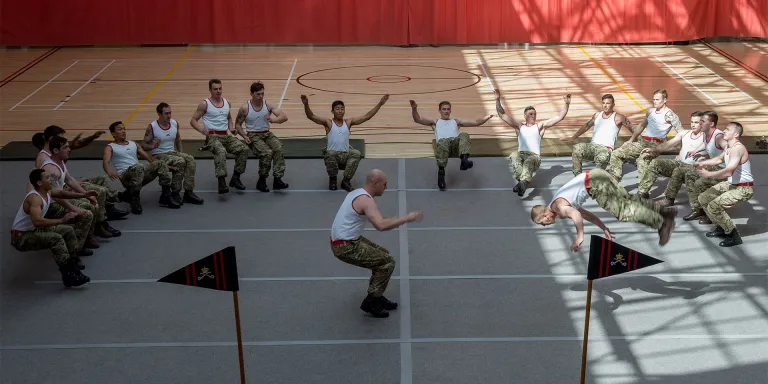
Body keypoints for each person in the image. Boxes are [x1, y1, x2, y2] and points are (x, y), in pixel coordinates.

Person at [330, 169, 423, 318]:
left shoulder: (356, 193)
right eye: (384, 184)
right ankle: (371, 301)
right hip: (345, 246)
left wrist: (395, 220)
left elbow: (379, 218)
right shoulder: (366, 200)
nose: (386, 187)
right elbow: (380, 225)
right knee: (388, 263)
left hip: (346, 240)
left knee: (383, 255)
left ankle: (377, 294)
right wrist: (407, 218)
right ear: (375, 183)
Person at [530, 169, 676, 251]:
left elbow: (575, 214)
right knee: (627, 199)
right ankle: (664, 212)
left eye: (542, 223)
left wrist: (580, 236)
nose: (545, 224)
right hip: (597, 174)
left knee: (622, 212)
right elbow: (585, 215)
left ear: (544, 215)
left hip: (594, 183)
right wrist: (603, 227)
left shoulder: (559, 208)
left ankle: (662, 223)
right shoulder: (558, 203)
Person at [11, 169, 91, 287]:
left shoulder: (46, 191)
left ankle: (72, 263)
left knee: (68, 230)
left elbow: (62, 194)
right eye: (47, 178)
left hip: (33, 230)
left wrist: (84, 194)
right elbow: (37, 221)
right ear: (39, 183)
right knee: (56, 239)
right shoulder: (35, 198)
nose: (51, 180)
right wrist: (61, 220)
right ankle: (68, 275)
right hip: (21, 236)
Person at [34, 126, 128, 221]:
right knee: (100, 191)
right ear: (51, 139)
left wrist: (92, 137)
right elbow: (50, 189)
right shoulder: (43, 159)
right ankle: (103, 216)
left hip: (64, 187)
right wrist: (79, 193)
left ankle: (108, 208)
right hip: (60, 194)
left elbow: (67, 178)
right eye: (60, 138)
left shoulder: (55, 154)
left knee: (101, 179)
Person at [301, 94, 389, 191]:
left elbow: (367, 116)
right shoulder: (328, 123)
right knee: (330, 153)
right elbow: (311, 116)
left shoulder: (348, 122)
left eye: (342, 109)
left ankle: (345, 181)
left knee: (356, 153)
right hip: (333, 158)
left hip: (345, 156)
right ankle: (333, 180)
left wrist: (380, 103)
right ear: (332, 111)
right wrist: (306, 104)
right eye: (337, 109)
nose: (340, 111)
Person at [40, 136, 114, 249]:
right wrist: (73, 208)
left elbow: (69, 180)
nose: (69, 149)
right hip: (52, 205)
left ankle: (88, 235)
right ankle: (78, 245)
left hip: (61, 197)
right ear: (55, 151)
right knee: (88, 209)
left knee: (92, 202)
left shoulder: (59, 162)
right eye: (65, 147)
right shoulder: (51, 169)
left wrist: (87, 195)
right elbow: (56, 196)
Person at [495, 90, 571, 196]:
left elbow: (559, 117)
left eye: (535, 114)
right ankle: (523, 183)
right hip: (521, 154)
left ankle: (523, 183)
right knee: (514, 155)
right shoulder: (519, 126)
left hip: (534, 157)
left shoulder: (539, 127)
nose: (533, 116)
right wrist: (497, 99)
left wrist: (567, 104)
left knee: (528, 162)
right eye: (530, 114)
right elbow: (502, 115)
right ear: (525, 116)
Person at [409, 100, 493, 190]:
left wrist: (487, 117)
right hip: (443, 148)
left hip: (455, 147)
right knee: (442, 141)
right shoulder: (435, 121)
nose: (446, 111)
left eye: (448, 109)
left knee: (464, 134)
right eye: (444, 109)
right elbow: (417, 119)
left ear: (450, 111)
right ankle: (441, 173)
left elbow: (476, 123)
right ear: (440, 111)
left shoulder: (456, 121)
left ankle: (464, 160)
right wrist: (414, 108)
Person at [694, 122, 753, 247]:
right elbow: (719, 159)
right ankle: (721, 227)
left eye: (727, 129)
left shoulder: (738, 148)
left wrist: (709, 174)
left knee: (714, 206)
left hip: (744, 188)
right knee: (703, 198)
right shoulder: (728, 147)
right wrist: (703, 163)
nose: (724, 131)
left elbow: (729, 170)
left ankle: (733, 235)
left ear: (736, 134)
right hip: (733, 184)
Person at [606, 89, 683, 182]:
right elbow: (641, 126)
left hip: (656, 144)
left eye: (657, 99)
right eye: (654, 99)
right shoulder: (650, 112)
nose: (654, 101)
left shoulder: (670, 115)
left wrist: (680, 153)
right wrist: (631, 140)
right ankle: (615, 180)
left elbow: (682, 134)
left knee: (642, 161)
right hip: (643, 142)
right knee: (616, 153)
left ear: (665, 100)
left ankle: (644, 189)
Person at [103, 121, 179, 214]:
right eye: (120, 129)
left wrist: (166, 166)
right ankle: (134, 200)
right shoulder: (110, 147)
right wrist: (109, 172)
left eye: (124, 129)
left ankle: (165, 196)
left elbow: (149, 158)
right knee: (138, 167)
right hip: (126, 177)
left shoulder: (133, 144)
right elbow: (106, 161)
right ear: (113, 134)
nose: (123, 131)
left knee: (159, 163)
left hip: (140, 173)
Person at [189, 79, 249, 194]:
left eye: (220, 88)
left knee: (244, 149)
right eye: (215, 89)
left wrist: (231, 128)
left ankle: (235, 178)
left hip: (225, 136)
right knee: (221, 151)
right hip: (212, 137)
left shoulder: (227, 102)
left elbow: (229, 118)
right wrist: (202, 130)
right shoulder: (204, 104)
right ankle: (221, 182)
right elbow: (193, 121)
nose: (218, 91)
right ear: (210, 90)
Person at [636, 111, 706, 203]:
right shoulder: (684, 134)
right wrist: (654, 149)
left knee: (678, 171)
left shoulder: (707, 137)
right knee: (655, 163)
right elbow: (668, 144)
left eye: (696, 122)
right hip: (681, 163)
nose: (693, 125)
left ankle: (669, 198)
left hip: (695, 169)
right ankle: (642, 192)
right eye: (692, 122)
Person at [142, 102, 204, 205]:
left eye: (170, 113)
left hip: (172, 153)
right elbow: (143, 145)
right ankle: (175, 192)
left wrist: (180, 152)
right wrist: (152, 146)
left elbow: (178, 139)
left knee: (190, 159)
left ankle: (188, 192)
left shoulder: (174, 123)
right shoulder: (152, 127)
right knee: (180, 161)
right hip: (159, 154)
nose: (169, 116)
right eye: (166, 113)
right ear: (159, 114)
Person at [234, 82, 290, 192]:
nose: (261, 97)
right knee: (267, 153)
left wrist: (274, 120)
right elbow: (237, 125)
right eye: (258, 94)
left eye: (262, 94)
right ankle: (261, 181)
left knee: (278, 148)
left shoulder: (267, 105)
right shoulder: (245, 108)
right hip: (253, 135)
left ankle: (277, 180)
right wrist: (244, 136)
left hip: (266, 134)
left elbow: (284, 117)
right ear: (251, 94)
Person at [561, 94, 633, 176]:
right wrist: (573, 137)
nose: (605, 106)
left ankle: (596, 178)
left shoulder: (619, 117)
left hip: (605, 149)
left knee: (602, 158)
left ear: (613, 105)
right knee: (577, 148)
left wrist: (640, 140)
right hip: (593, 147)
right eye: (603, 103)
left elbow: (632, 128)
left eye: (608, 103)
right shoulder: (597, 115)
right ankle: (578, 177)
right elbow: (586, 126)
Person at [680, 111, 727, 222]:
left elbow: (729, 148)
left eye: (703, 121)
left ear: (711, 124)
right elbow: (706, 144)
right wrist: (696, 151)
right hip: (713, 166)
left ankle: (711, 212)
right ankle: (697, 209)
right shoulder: (707, 134)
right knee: (690, 174)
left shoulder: (718, 136)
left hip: (722, 169)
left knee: (700, 182)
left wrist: (719, 159)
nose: (700, 123)